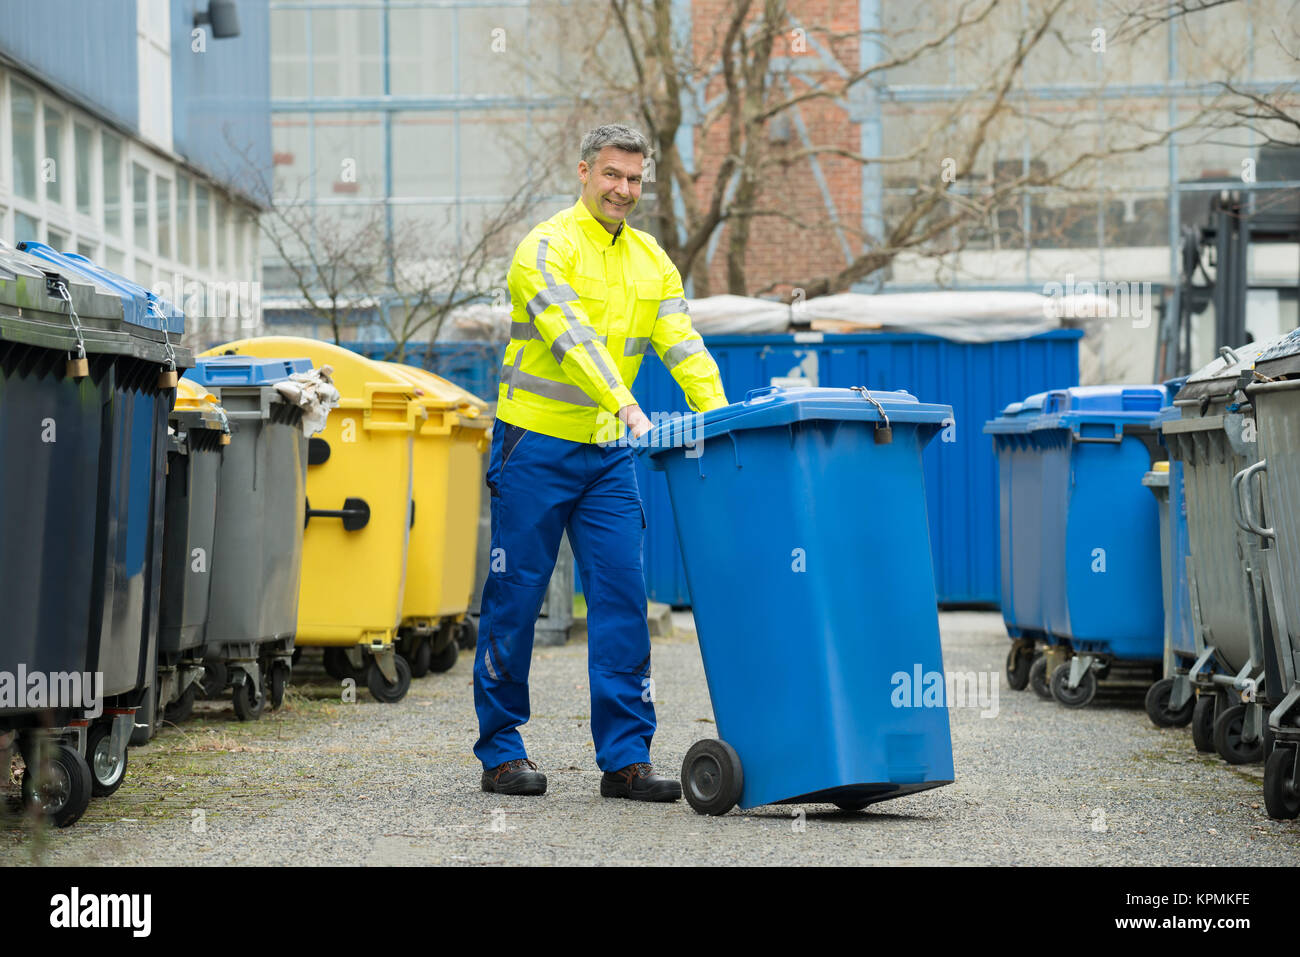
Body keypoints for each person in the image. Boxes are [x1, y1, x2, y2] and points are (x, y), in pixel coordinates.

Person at [474, 123, 729, 801]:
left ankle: (625, 759)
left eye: (634, 179)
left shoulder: (653, 261)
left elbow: (685, 347)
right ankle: (501, 751)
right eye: (611, 175)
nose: (623, 189)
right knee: (516, 600)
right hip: (534, 446)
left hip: (609, 456)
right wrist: (631, 406)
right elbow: (574, 341)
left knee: (621, 599)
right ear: (584, 171)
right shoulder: (544, 249)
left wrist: (724, 422)